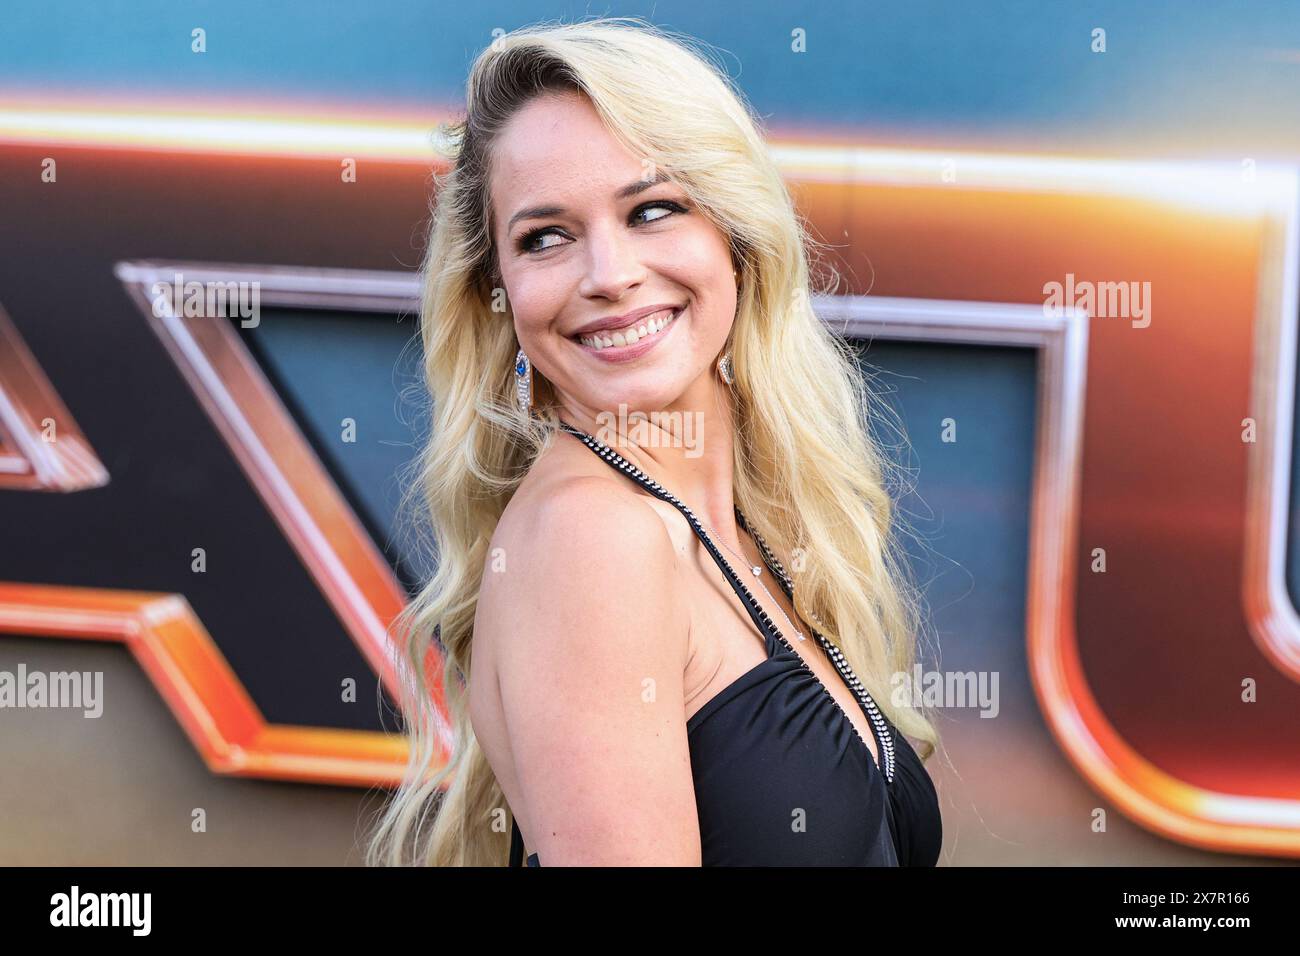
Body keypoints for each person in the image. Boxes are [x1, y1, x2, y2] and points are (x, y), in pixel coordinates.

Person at [367, 16, 943, 867]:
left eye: (654, 209)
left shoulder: (737, 527)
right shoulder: (592, 538)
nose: (609, 275)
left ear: (736, 238)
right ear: (501, 290)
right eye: (546, 237)